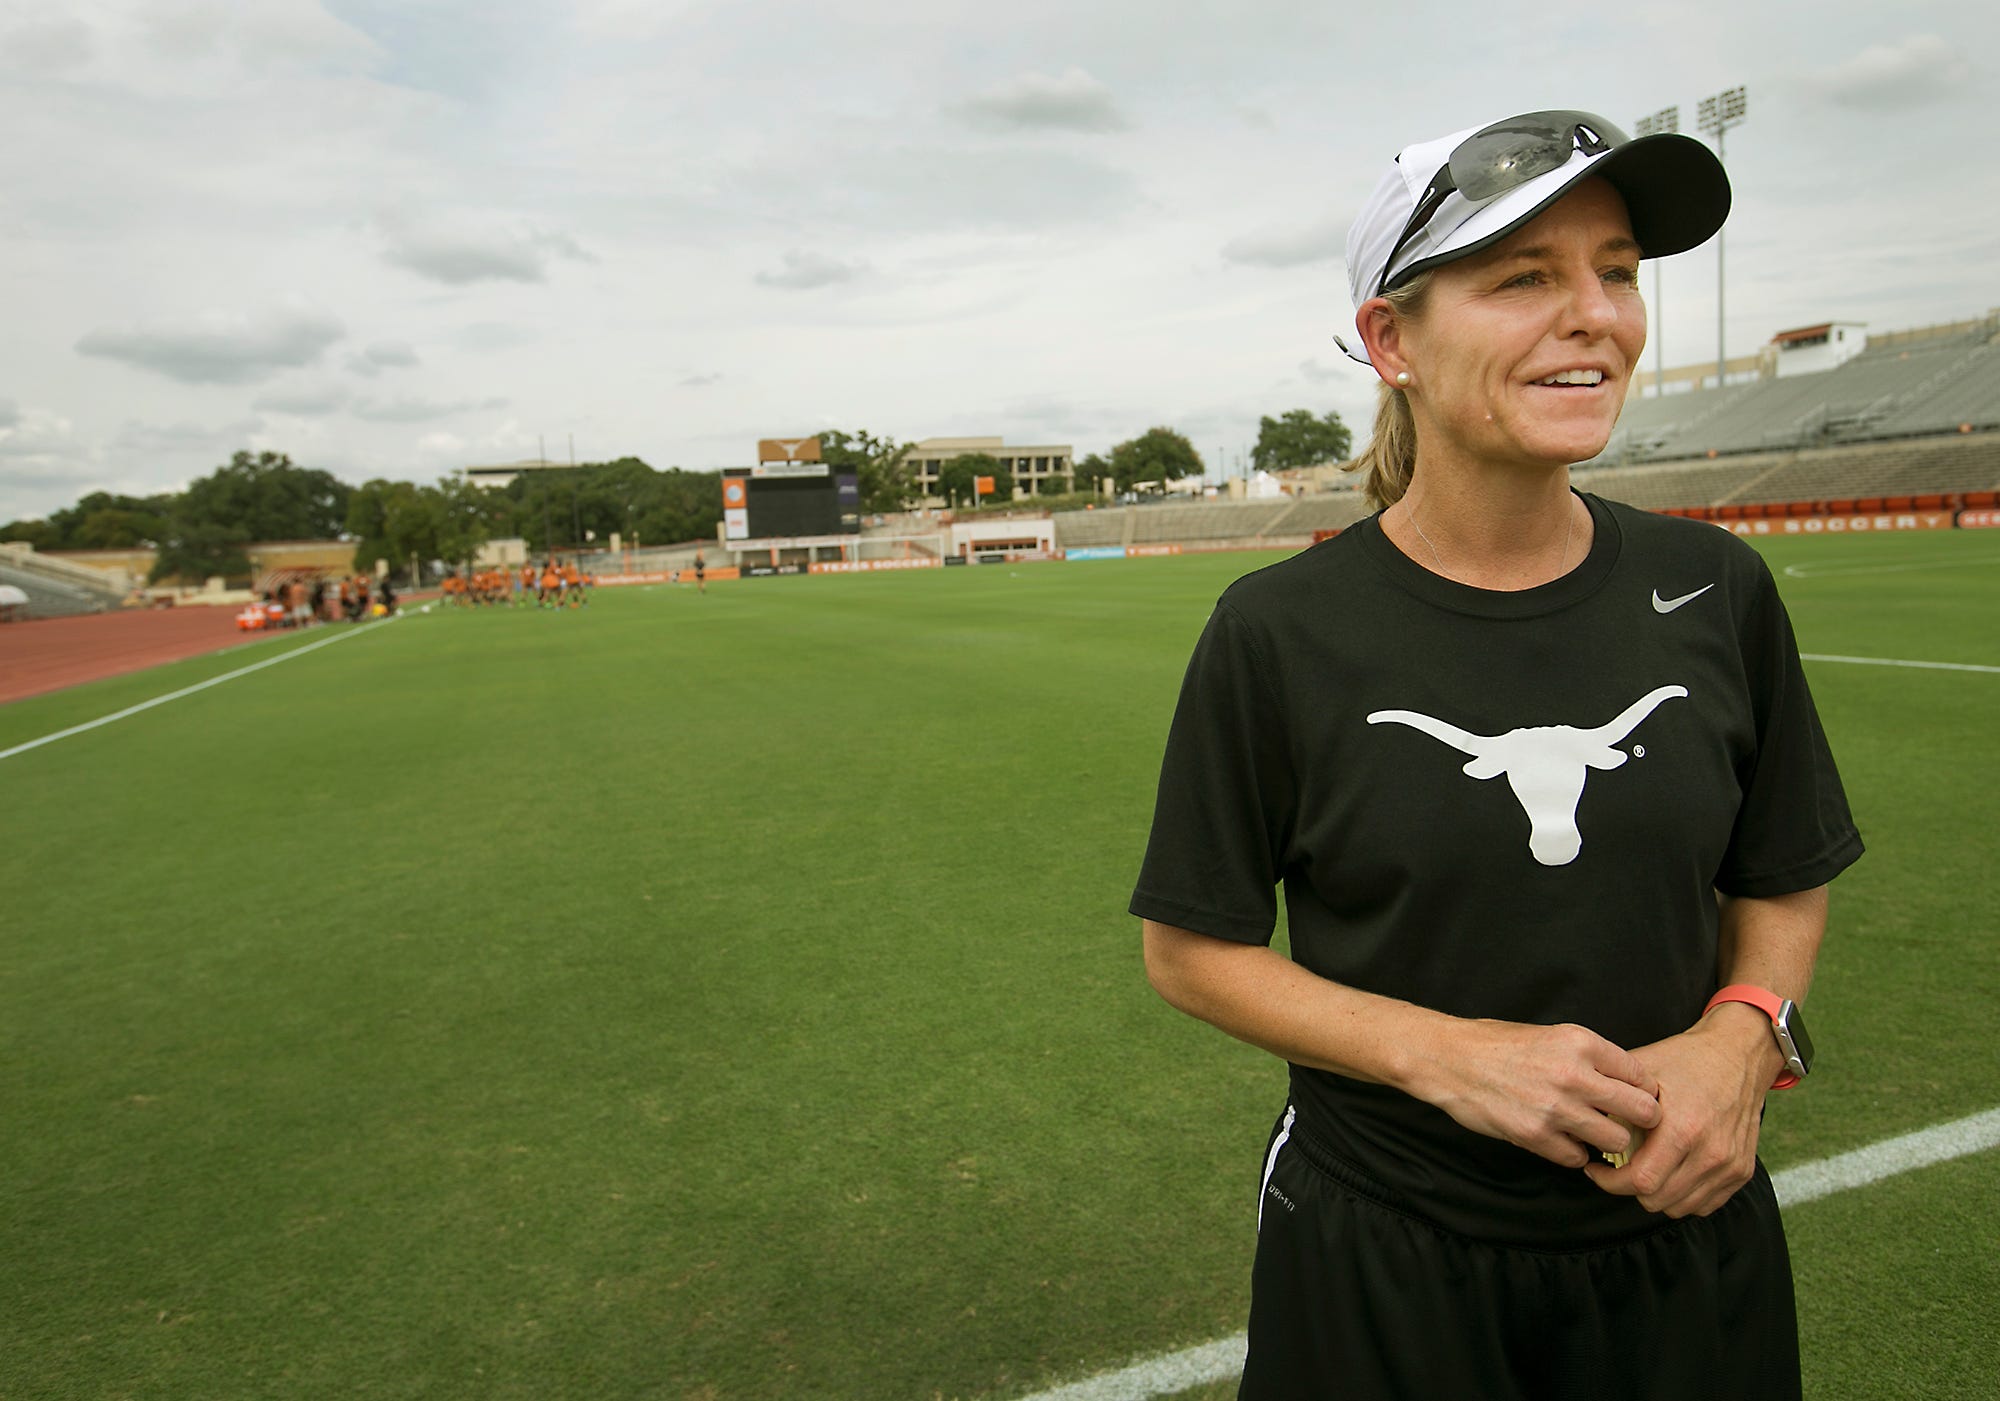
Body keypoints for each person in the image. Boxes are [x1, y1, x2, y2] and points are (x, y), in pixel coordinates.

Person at [1129, 109, 1863, 1400]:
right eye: (1525, 275)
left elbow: (1783, 865)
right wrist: (1449, 1054)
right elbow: (1191, 950)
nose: (1596, 315)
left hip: (1686, 1244)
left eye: (1619, 270)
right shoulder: (1279, 633)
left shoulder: (1720, 590)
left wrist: (1747, 1034)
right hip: (1383, 1259)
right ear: (1390, 338)